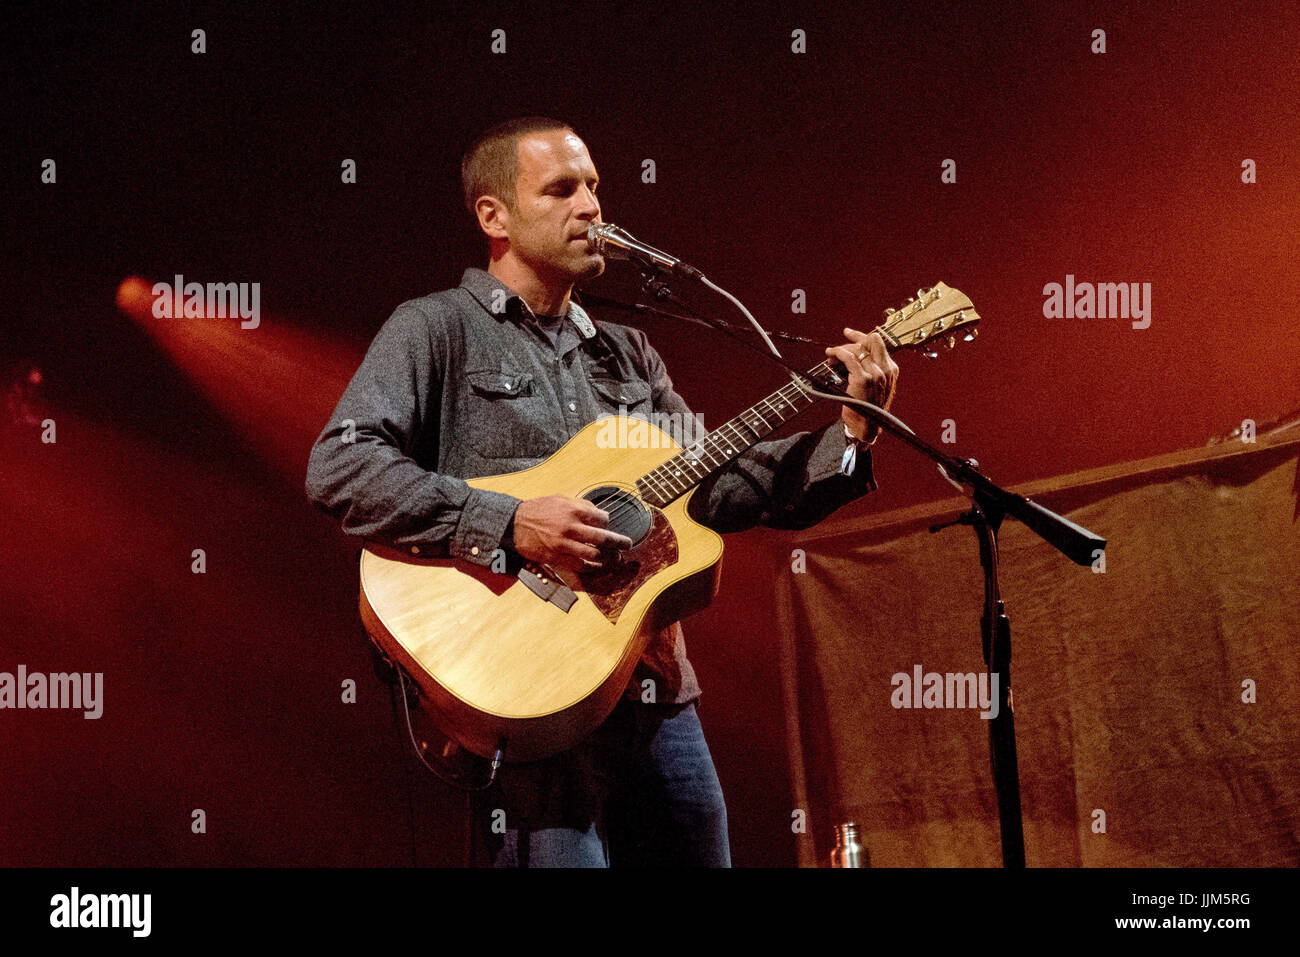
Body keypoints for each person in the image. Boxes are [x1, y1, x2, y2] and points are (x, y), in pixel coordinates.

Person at [305, 116, 899, 867]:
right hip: (528, 686)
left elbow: (717, 484)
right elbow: (340, 466)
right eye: (561, 189)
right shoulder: (435, 330)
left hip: (653, 688)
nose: (590, 205)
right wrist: (512, 520)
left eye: (593, 186)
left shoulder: (627, 351)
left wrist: (850, 433)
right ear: (494, 216)